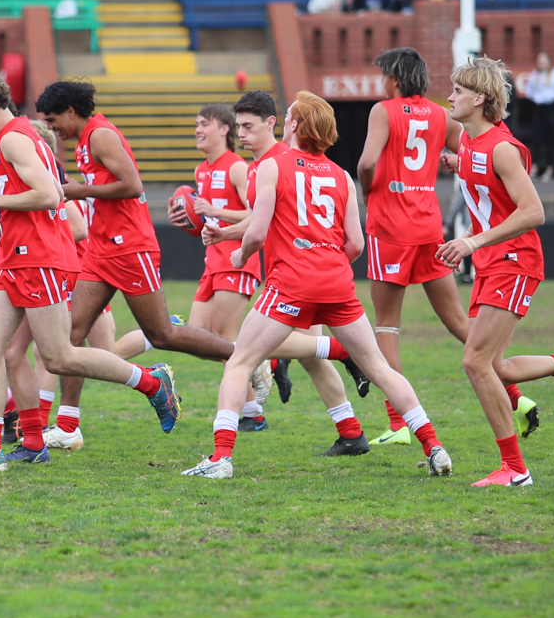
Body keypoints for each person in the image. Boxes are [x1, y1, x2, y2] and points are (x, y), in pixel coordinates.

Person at [183, 92, 454, 479]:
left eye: (289, 116)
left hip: (292, 282)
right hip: (338, 283)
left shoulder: (273, 168)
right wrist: (328, 266)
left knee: (239, 361)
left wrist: (240, 256)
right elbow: (356, 245)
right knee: (378, 367)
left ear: (293, 126)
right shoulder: (341, 176)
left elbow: (257, 234)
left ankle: (221, 458)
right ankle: (434, 446)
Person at [0, 68, 181, 469]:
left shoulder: (16, 138)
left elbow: (50, 195)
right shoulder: (15, 137)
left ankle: (151, 382)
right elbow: (27, 196)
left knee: (58, 357)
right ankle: (0, 447)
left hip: (41, 260)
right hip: (12, 258)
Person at [439, 57, 554, 488]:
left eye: (459, 91)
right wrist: (459, 176)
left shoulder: (501, 148)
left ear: (480, 98)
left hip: (514, 261)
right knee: (495, 367)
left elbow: (533, 212)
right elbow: (488, 199)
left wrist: (470, 242)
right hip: (492, 263)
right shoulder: (470, 144)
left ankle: (516, 470)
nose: (450, 97)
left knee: (474, 362)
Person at [38, 80, 244, 449]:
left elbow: (132, 185)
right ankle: (68, 427)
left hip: (131, 248)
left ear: (72, 111)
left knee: (162, 334)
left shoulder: (101, 134)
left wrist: (78, 190)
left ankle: (247, 356)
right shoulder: (85, 139)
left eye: (54, 120)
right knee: (69, 335)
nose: (54, 128)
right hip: (102, 249)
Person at [356, 48, 538, 445]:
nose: (381, 82)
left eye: (384, 76)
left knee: (386, 325)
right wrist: (452, 162)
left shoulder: (383, 111)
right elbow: (472, 145)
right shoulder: (441, 114)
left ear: (395, 79)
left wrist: (368, 191)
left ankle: (398, 423)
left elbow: (368, 162)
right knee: (459, 323)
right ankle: (515, 395)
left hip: (389, 227)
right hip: (429, 226)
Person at [518, 51, 554, 181]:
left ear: (549, 62)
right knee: (536, 137)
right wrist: (534, 96)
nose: (542, 63)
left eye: (544, 61)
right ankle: (535, 167)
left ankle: (550, 168)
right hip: (538, 108)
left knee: (551, 139)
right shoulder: (535, 75)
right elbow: (528, 89)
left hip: (551, 108)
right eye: (540, 61)